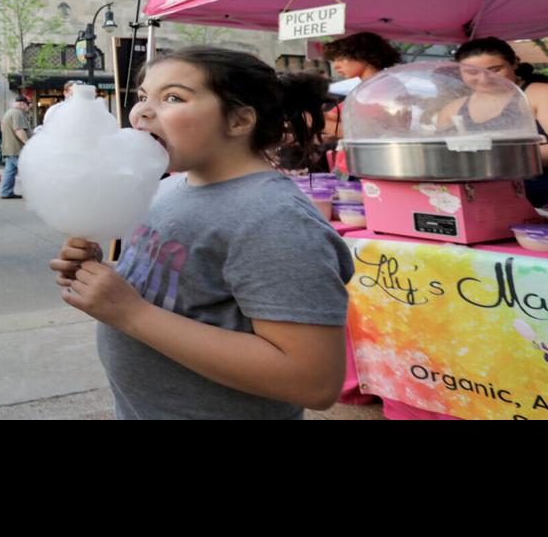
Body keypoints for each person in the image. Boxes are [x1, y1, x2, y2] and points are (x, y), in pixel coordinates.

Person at [48, 46, 353, 420]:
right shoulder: (163, 189)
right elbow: (186, 286)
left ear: (239, 121)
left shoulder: (276, 221)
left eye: (172, 97)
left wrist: (130, 313)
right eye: (143, 96)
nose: (141, 111)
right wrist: (100, 274)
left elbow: (314, 382)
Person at [446, 37, 548, 205]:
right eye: (472, 72)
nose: (484, 79)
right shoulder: (453, 108)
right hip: (485, 202)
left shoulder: (544, 94)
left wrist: (496, 153)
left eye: (495, 70)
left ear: (514, 63)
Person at [319, 31, 401, 145]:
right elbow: (333, 115)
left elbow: (362, 132)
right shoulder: (369, 88)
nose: (336, 66)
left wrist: (313, 120)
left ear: (363, 56)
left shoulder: (381, 88)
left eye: (342, 59)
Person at [0, 95, 30, 199]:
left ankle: (6, 192)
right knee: (28, 170)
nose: (28, 106)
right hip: (17, 148)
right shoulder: (17, 113)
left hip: (9, 147)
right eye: (27, 104)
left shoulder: (9, 112)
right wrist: (28, 143)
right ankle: (35, 193)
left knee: (10, 171)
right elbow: (19, 130)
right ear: (22, 103)